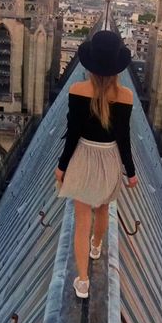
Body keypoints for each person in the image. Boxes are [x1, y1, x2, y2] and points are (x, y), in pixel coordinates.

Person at [56, 30, 138, 298]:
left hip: (83, 156)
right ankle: (97, 246)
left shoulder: (77, 90)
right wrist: (131, 172)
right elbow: (123, 138)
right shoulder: (126, 96)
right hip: (109, 158)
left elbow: (73, 133)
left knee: (81, 221)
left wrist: (62, 166)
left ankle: (82, 281)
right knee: (102, 209)